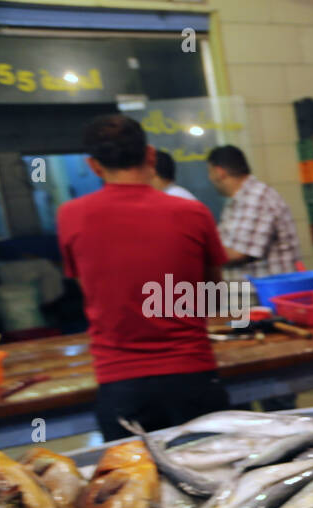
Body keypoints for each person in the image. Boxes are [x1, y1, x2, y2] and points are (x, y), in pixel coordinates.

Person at [57, 115, 231, 441]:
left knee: (137, 485)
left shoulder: (70, 215)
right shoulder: (193, 213)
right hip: (192, 378)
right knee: (212, 483)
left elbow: (90, 290)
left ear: (93, 166)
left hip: (120, 386)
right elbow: (213, 294)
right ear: (150, 155)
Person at [206, 145, 301, 281]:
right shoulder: (236, 201)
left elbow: (239, 253)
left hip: (269, 297)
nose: (209, 178)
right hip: (250, 297)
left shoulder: (256, 197)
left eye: (210, 172)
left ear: (219, 172)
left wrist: (198, 253)